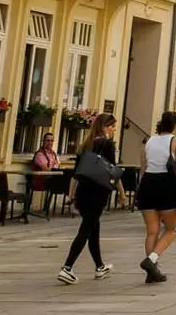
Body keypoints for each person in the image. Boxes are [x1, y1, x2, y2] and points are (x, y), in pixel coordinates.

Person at [57, 113, 119, 284]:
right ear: (106, 127)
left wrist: (71, 195)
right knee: (86, 229)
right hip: (98, 193)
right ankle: (67, 267)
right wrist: (120, 192)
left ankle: (100, 266)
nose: (114, 130)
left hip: (83, 191)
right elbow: (112, 170)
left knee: (93, 228)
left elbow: (75, 174)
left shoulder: (85, 145)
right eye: (113, 126)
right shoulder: (107, 145)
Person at [136, 111, 176, 284]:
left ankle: (152, 271)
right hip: (165, 184)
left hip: (147, 183)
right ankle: (152, 259)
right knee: (172, 228)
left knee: (152, 231)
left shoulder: (149, 140)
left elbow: (143, 167)